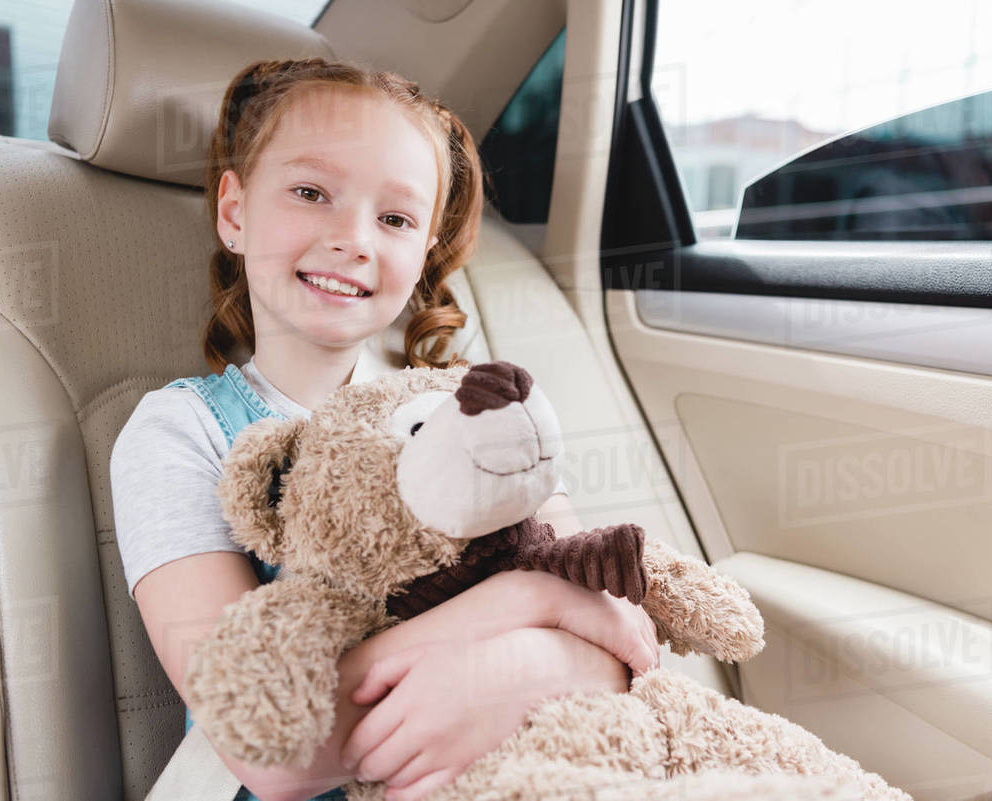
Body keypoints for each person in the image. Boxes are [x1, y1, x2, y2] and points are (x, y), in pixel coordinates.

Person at [109, 58, 660, 801]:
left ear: (425, 247)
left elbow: (624, 634)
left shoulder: (472, 412)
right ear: (235, 212)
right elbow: (269, 745)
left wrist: (509, 679)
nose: (354, 239)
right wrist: (530, 605)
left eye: (394, 218)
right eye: (311, 193)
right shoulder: (183, 431)